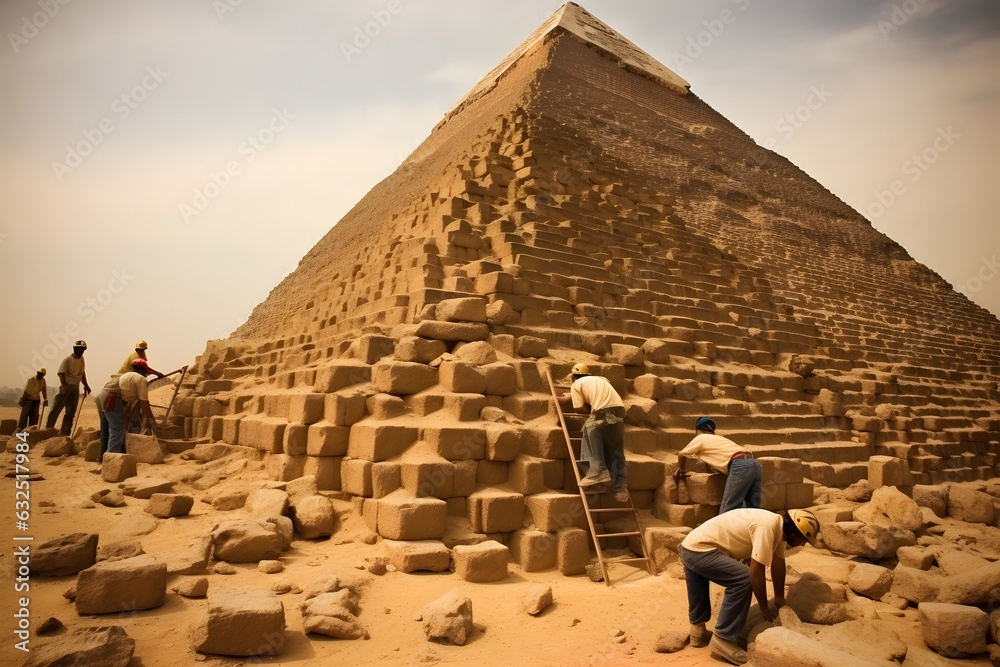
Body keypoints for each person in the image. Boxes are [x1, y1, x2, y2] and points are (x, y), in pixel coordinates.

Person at [680, 508, 820, 665]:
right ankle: (723, 639)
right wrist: (764, 607)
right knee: (745, 578)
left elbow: (778, 562)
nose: (802, 544)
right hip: (701, 550)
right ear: (794, 532)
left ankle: (697, 632)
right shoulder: (767, 527)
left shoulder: (777, 527)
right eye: (803, 540)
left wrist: (780, 598)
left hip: (690, 547)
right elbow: (756, 571)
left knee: (699, 584)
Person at [557, 363, 628, 503]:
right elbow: (596, 396)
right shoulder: (601, 379)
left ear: (573, 378)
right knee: (615, 450)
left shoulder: (576, 384)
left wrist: (570, 398)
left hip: (604, 411)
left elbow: (579, 409)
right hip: (619, 411)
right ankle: (620, 489)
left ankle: (597, 471)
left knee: (589, 430)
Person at [675, 418, 761, 514]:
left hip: (740, 465)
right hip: (755, 464)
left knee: (727, 510)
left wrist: (682, 469)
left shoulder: (701, 438)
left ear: (698, 431)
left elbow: (681, 454)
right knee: (753, 509)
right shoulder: (720, 439)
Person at [102, 358, 163, 457]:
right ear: (144, 371)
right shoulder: (141, 379)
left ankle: (111, 455)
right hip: (112, 399)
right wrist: (152, 419)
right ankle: (111, 459)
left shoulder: (128, 375)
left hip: (107, 396)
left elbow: (128, 397)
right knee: (117, 430)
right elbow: (144, 403)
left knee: (109, 430)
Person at [117, 340, 164, 432]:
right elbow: (144, 368)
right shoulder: (135, 357)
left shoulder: (139, 357)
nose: (142, 351)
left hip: (129, 380)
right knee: (132, 407)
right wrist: (157, 373)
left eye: (143, 349)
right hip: (126, 380)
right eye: (141, 349)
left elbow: (144, 368)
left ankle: (132, 429)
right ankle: (133, 429)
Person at [46, 340, 91, 435]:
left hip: (75, 387)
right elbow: (61, 373)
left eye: (83, 350)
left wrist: (86, 386)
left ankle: (65, 433)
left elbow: (82, 373)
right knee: (56, 409)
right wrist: (64, 386)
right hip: (66, 385)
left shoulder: (82, 359)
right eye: (79, 349)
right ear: (75, 349)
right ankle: (48, 429)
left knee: (71, 412)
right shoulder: (67, 360)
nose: (81, 352)